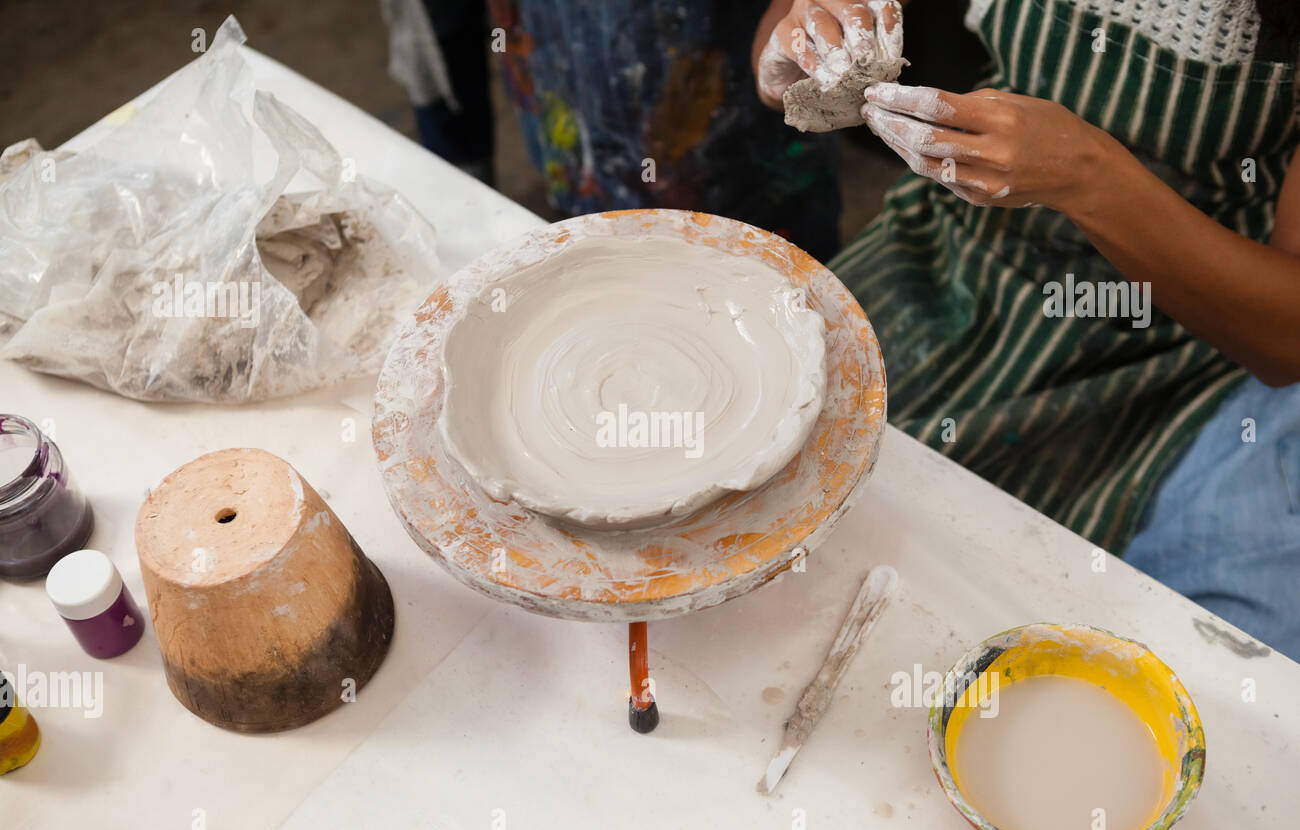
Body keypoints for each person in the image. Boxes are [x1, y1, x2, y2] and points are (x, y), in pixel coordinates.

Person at [755, 0, 1300, 655]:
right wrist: (799, 52)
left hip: (1189, 331)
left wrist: (1086, 177)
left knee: (1203, 656)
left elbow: (1285, 340)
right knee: (765, 503)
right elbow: (781, 36)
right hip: (957, 254)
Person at [485, 0, 843, 262]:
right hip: (558, 56)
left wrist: (812, 22)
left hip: (732, 129)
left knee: (762, 279)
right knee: (596, 252)